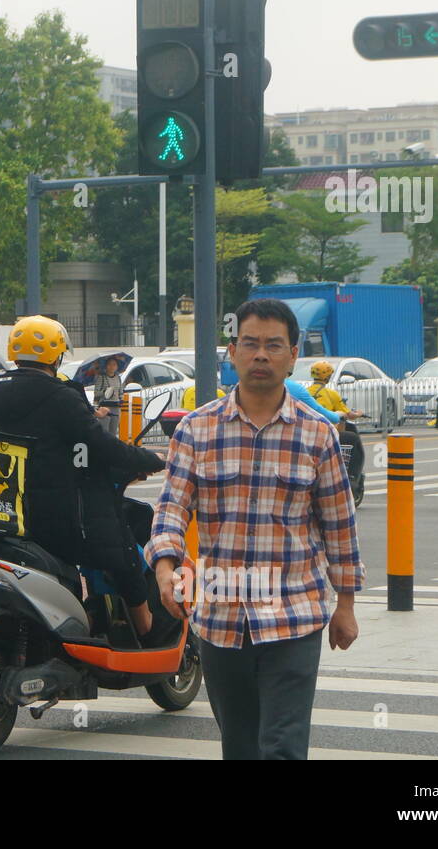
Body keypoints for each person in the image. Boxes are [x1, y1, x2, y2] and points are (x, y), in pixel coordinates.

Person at [149, 298, 363, 760]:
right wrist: (166, 568)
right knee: (240, 746)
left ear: (291, 355)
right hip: (221, 617)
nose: (260, 355)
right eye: (250, 344)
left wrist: (345, 605)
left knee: (283, 747)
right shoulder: (195, 429)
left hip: (295, 615)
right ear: (232, 352)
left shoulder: (317, 434)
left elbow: (339, 526)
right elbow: (170, 509)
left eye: (273, 345)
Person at [0, 316, 166, 646]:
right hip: (61, 514)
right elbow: (101, 446)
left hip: (3, 509)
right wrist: (152, 459)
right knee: (123, 545)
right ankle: (147, 628)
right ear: (55, 357)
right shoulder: (62, 397)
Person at [307, 360, 366, 481]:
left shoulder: (305, 392)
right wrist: (359, 413)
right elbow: (348, 414)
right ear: (328, 377)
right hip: (326, 434)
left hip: (307, 433)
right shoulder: (331, 394)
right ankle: (352, 475)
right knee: (353, 439)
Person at [92, 357, 124, 435]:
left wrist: (121, 400)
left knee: (113, 433)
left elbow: (120, 392)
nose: (112, 366)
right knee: (104, 432)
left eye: (114, 364)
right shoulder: (101, 377)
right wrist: (105, 392)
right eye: (109, 364)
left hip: (115, 408)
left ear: (117, 366)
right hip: (104, 407)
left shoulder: (118, 378)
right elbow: (96, 393)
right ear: (106, 366)